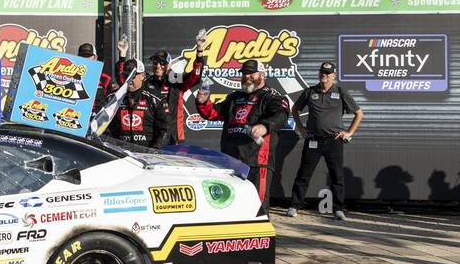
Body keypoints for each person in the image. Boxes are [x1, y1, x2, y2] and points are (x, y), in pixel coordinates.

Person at [196, 59, 289, 213]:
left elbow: (282, 113)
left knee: (257, 206)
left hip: (257, 163)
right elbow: (213, 113)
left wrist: (265, 126)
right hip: (230, 161)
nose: (247, 77)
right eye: (244, 73)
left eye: (251, 73)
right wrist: (203, 102)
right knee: (231, 203)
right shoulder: (234, 97)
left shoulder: (271, 96)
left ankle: (260, 235)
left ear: (262, 75)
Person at [289, 61, 363, 221]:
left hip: (334, 140)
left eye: (328, 73)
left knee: (337, 176)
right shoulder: (310, 92)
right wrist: (301, 129)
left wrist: (349, 133)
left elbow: (359, 113)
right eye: (322, 72)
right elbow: (295, 109)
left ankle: (338, 209)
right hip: (313, 139)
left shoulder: (341, 92)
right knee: (303, 174)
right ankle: (295, 205)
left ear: (334, 76)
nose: (324, 74)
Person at [144, 37, 207, 145]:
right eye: (155, 63)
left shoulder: (176, 80)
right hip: (151, 135)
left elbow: (196, 75)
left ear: (169, 65)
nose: (158, 66)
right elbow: (127, 82)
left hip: (173, 136)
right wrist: (122, 56)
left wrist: (200, 51)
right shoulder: (146, 81)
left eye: (162, 63)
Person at [104, 61, 167, 148]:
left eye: (132, 76)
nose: (129, 79)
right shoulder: (112, 98)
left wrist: (154, 151)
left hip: (147, 154)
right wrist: (113, 147)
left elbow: (164, 129)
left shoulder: (154, 98)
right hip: (120, 154)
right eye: (126, 75)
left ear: (143, 76)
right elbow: (102, 126)